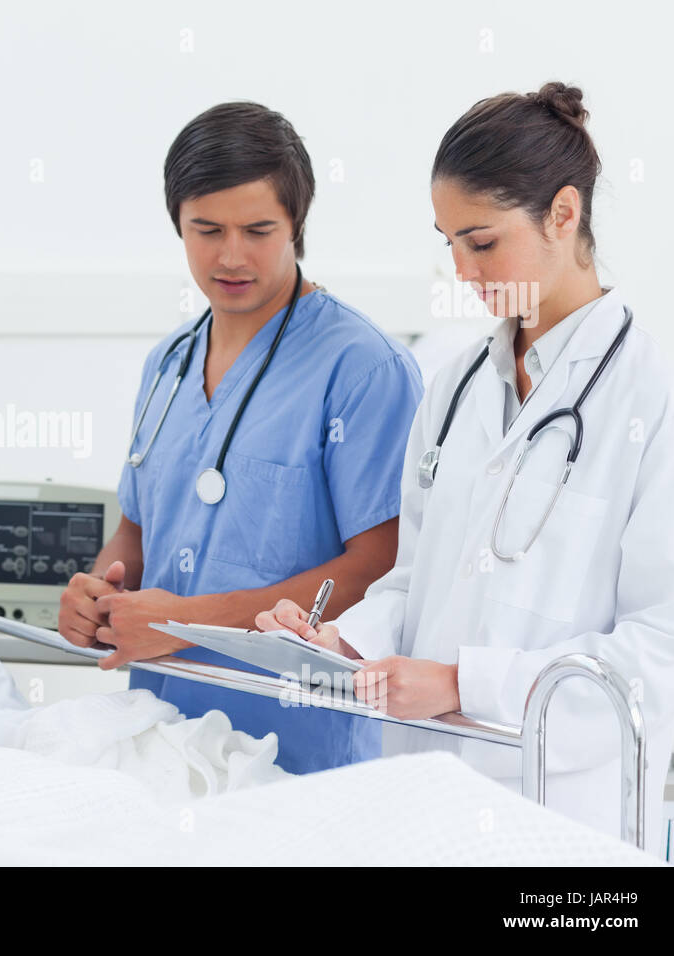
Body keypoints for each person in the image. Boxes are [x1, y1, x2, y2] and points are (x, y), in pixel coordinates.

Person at [255, 82, 674, 838]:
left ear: (563, 213)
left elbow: (662, 652)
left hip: (565, 823)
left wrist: (465, 684)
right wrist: (342, 642)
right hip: (426, 803)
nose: (463, 271)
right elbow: (416, 580)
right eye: (448, 243)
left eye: (482, 242)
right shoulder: (454, 387)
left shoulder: (656, 403)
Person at [57, 102, 423, 774]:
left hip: (299, 752)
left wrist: (183, 623)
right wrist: (96, 595)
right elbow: (135, 537)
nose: (231, 256)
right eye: (206, 230)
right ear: (177, 225)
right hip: (163, 740)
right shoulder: (167, 363)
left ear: (297, 225)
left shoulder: (364, 368)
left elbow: (380, 568)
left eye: (258, 229)